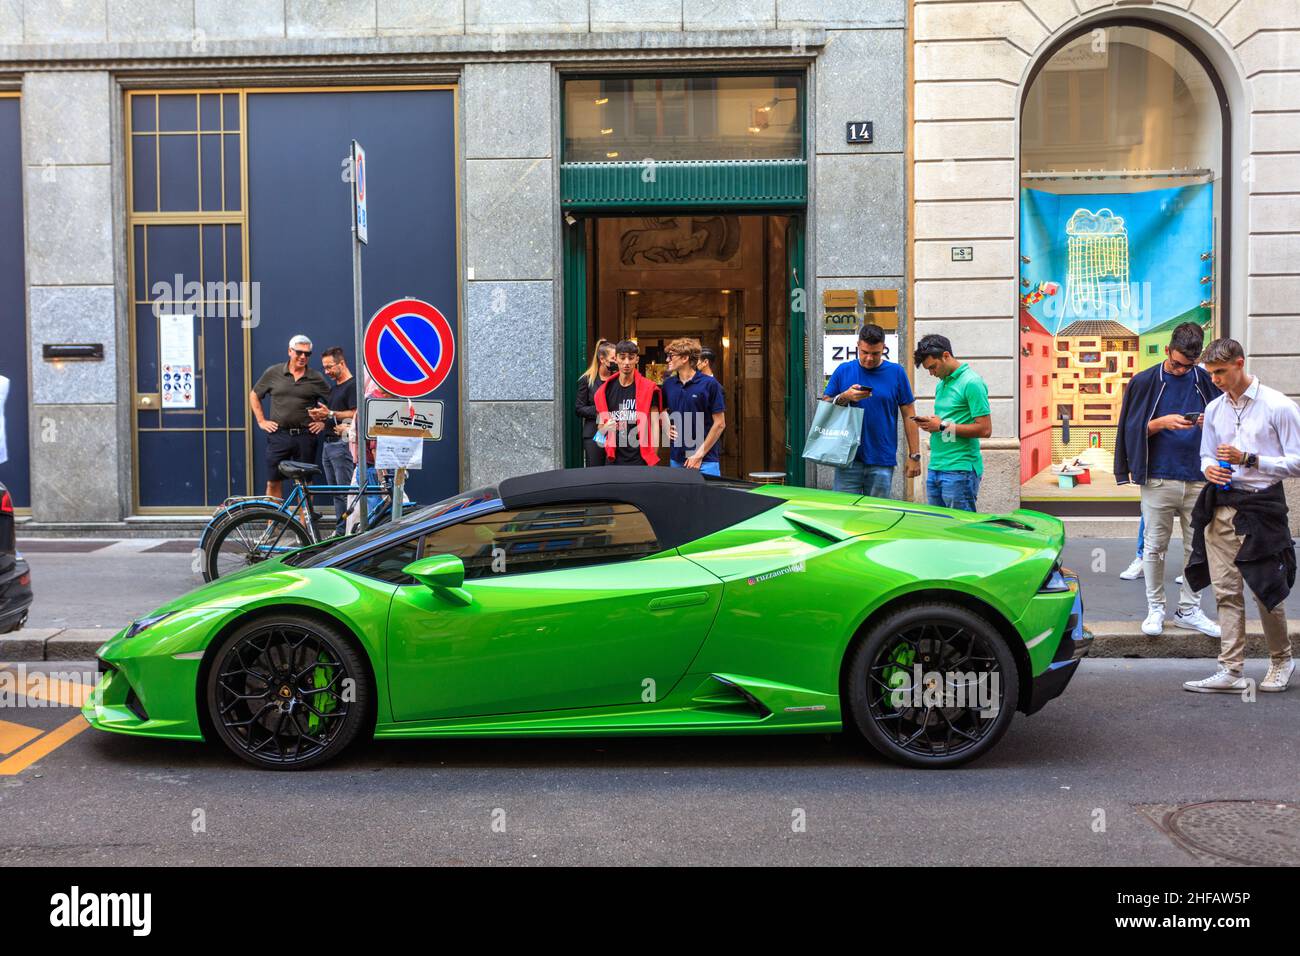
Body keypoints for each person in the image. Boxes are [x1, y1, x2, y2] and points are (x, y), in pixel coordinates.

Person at [1183, 338, 1299, 694]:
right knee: (1225, 592)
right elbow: (1205, 455)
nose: (1215, 379)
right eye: (1211, 373)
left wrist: (1248, 459)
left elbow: (1297, 462)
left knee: (1266, 590)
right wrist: (1210, 471)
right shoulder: (1215, 409)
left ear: (1239, 363)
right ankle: (1230, 669)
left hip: (1262, 508)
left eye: (1220, 372)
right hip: (1221, 506)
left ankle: (1281, 659)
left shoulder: (1278, 406)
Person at [1113, 322, 1221, 638]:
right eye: (1175, 362)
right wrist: (1158, 423)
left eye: (1187, 365)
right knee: (1154, 547)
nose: (1179, 369)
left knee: (1197, 548)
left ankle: (1189, 610)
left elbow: (1227, 424)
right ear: (1166, 351)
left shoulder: (1205, 380)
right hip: (1159, 478)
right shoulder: (1144, 381)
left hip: (1199, 479)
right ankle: (1155, 609)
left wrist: (1208, 421)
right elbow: (1127, 430)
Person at [821, 323, 920, 498]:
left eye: (875, 353)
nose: (869, 358)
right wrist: (845, 396)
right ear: (858, 346)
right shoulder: (844, 370)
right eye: (865, 352)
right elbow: (826, 406)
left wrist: (914, 456)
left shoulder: (896, 372)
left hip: (881, 459)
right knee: (842, 515)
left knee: (876, 517)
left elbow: (909, 414)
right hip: (847, 459)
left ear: (884, 348)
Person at [912, 334, 991, 511]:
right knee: (940, 530)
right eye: (928, 370)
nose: (932, 373)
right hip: (936, 466)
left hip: (959, 469)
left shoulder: (972, 382)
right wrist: (933, 424)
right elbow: (947, 422)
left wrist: (941, 426)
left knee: (962, 532)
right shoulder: (942, 384)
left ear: (946, 355)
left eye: (933, 367)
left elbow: (985, 429)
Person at [251, 334, 329, 500]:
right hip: (279, 435)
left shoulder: (316, 378)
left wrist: (324, 422)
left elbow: (334, 402)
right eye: (299, 352)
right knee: (273, 481)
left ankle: (304, 525)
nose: (302, 357)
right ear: (289, 351)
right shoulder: (273, 372)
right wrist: (261, 421)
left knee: (305, 484)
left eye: (307, 354)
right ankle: (273, 523)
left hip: (305, 436)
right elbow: (254, 394)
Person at [308, 346, 358, 526]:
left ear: (342, 363)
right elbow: (334, 414)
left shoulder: (352, 386)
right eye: (324, 368)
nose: (327, 371)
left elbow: (355, 414)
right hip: (329, 445)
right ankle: (340, 530)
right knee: (337, 493)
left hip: (342, 445)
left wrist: (330, 414)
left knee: (345, 492)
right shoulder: (335, 388)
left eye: (329, 367)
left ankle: (346, 533)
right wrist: (321, 417)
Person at [661, 337, 726, 475]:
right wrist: (666, 427)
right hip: (677, 460)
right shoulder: (668, 384)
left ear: (684, 358)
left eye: (671, 356)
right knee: (679, 497)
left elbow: (720, 424)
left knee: (707, 497)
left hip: (706, 461)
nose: (667, 360)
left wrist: (698, 455)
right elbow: (661, 410)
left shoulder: (710, 384)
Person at [593, 340, 662, 466]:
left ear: (637, 360)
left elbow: (655, 425)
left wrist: (653, 455)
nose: (626, 363)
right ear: (616, 359)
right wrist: (605, 428)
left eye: (631, 358)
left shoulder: (649, 388)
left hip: (640, 457)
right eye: (622, 357)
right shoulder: (605, 391)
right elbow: (600, 427)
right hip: (613, 457)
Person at [575, 339, 615, 467]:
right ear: (602, 359)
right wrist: (600, 410)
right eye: (613, 358)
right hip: (594, 433)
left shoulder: (617, 379)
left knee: (613, 470)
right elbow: (579, 408)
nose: (616, 361)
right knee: (595, 471)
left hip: (616, 433)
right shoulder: (587, 380)